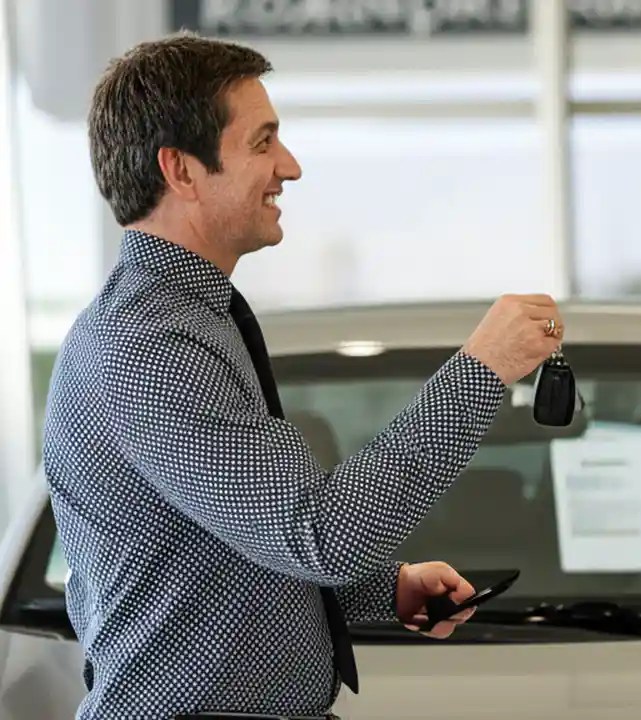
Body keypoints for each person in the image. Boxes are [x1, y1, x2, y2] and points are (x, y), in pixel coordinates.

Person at [41, 34, 563, 720]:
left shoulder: (188, 322)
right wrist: (483, 369)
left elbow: (223, 546)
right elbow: (319, 533)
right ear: (181, 170)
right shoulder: (146, 345)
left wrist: (382, 590)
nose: (289, 166)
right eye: (262, 143)